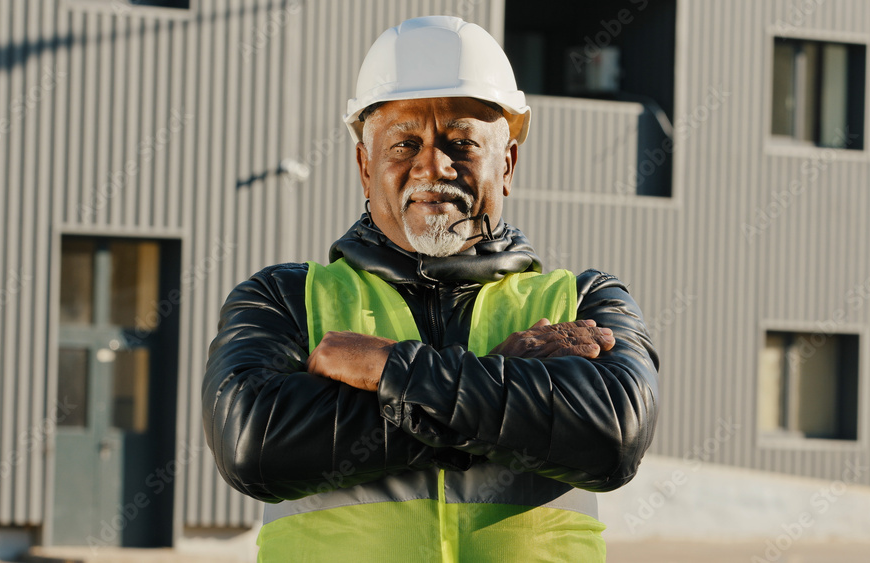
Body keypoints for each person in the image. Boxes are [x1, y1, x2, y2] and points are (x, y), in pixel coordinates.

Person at [202, 15, 658, 562]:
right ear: (364, 165)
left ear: (507, 163)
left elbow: (613, 438)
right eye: (403, 143)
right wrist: (499, 380)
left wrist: (389, 370)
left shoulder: (585, 301)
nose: (433, 166)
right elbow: (253, 443)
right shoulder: (282, 298)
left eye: (462, 142)